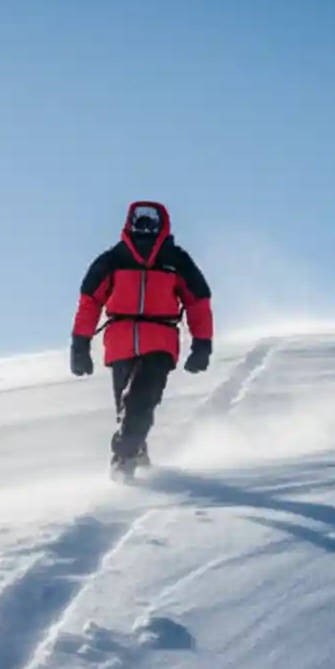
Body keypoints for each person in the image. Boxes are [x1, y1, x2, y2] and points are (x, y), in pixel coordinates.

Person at [70, 200, 214, 477]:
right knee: (126, 407)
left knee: (140, 400)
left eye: (151, 220)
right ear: (129, 222)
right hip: (120, 344)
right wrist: (80, 345)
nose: (145, 225)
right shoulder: (113, 259)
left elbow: (198, 302)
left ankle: (123, 458)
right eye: (140, 220)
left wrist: (202, 345)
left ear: (163, 224)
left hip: (160, 343)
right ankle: (138, 456)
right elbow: (89, 301)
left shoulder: (175, 261)